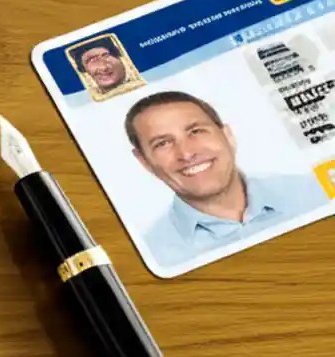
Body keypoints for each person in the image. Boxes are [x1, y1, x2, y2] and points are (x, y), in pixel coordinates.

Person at [125, 91, 330, 266]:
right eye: (163, 143)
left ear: (227, 135)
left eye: (196, 132)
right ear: (144, 161)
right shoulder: (152, 256)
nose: (186, 153)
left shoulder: (318, 191)